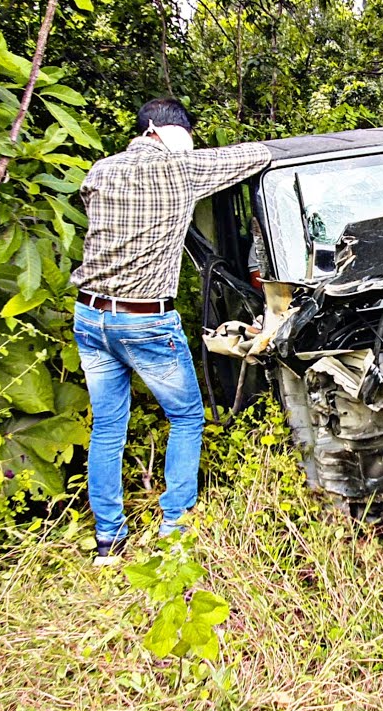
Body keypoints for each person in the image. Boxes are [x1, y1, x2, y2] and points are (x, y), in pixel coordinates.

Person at [70, 98, 271, 564]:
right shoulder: (182, 170)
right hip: (143, 320)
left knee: (107, 427)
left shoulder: (99, 171)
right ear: (170, 132)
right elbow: (254, 156)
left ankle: (108, 542)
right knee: (186, 417)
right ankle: (175, 529)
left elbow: (90, 202)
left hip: (90, 317)